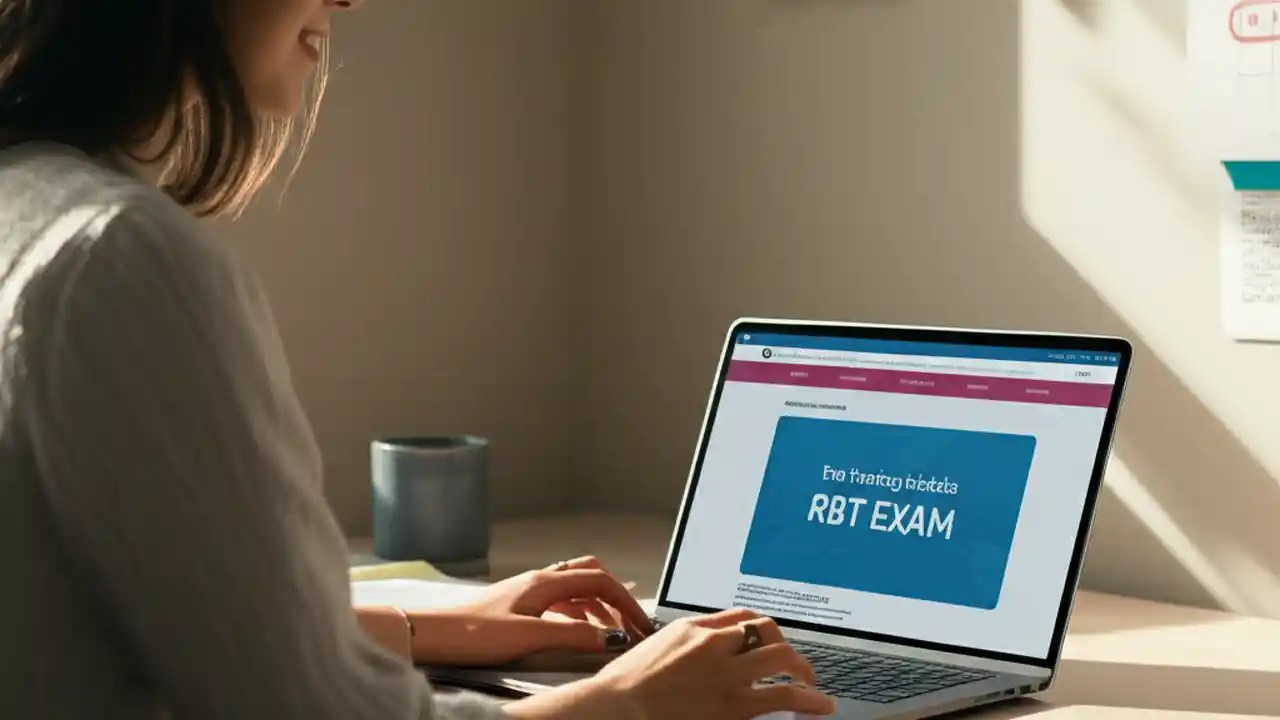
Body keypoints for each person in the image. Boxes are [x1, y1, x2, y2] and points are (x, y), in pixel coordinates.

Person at [0, 1, 838, 718]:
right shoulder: (117, 259)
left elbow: (152, 618)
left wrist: (452, 624)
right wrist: (634, 703)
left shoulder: (28, 209)